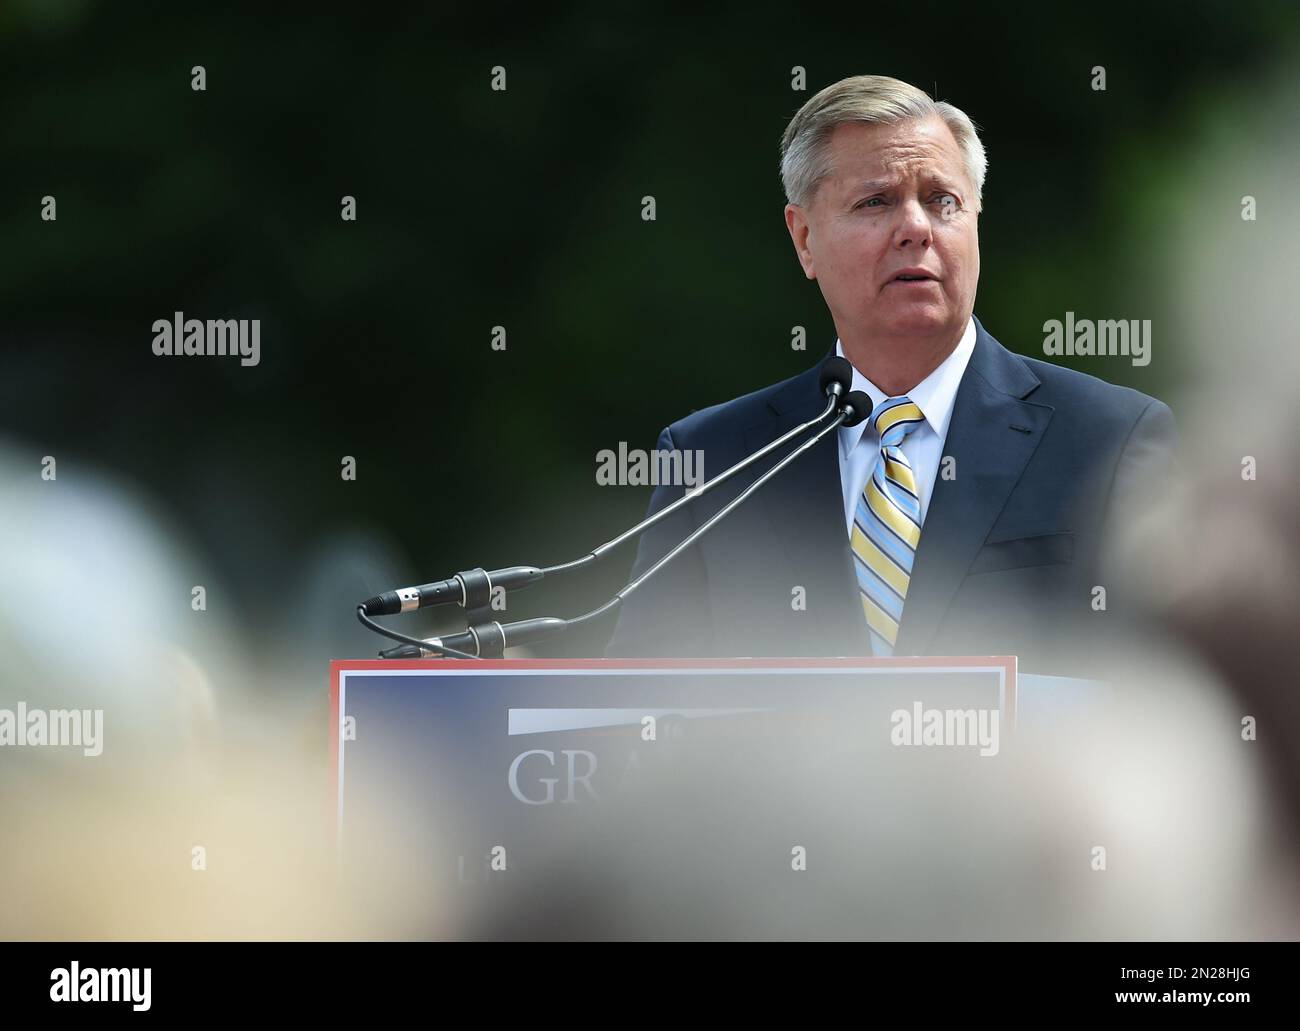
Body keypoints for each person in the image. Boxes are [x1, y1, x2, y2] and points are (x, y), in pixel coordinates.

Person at [605, 75, 1177, 671]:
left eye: (942, 201)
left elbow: (1174, 703)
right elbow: (640, 718)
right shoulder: (716, 460)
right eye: (876, 202)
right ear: (803, 239)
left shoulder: (1109, 440)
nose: (916, 228)